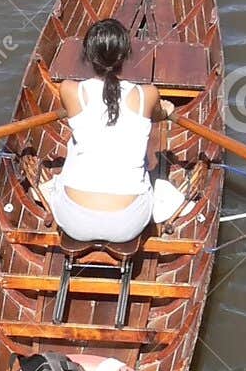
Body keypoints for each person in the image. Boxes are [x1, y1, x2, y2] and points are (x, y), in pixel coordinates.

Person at [42, 18, 175, 242]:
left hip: (74, 221)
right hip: (128, 224)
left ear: (88, 55)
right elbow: (158, 115)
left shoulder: (69, 89)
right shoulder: (148, 94)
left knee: (74, 146)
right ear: (124, 56)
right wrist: (166, 111)